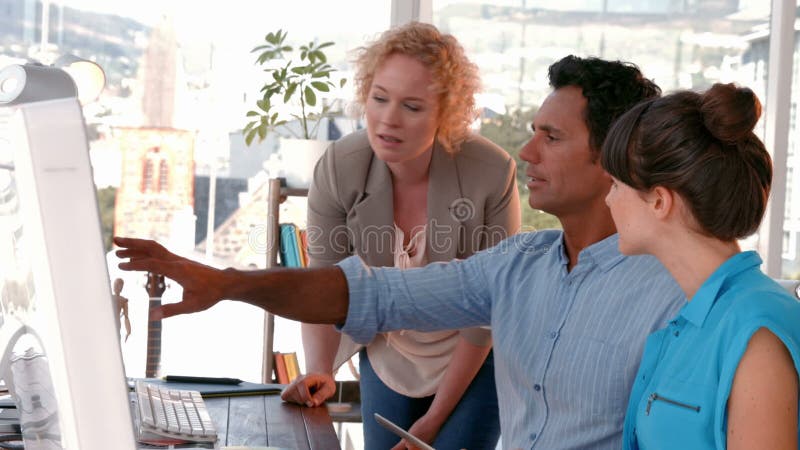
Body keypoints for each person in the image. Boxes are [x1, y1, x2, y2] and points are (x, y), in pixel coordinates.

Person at [114, 55, 687, 450]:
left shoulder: (676, 291)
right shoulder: (521, 266)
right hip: (392, 361)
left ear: (616, 156)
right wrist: (228, 284)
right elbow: (369, 293)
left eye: (552, 137)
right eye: (533, 131)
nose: (529, 150)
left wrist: (439, 420)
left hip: (460, 370)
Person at [285, 22, 520, 450]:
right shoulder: (341, 166)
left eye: (412, 106)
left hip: (475, 355)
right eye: (379, 98)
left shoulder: (491, 172)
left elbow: (486, 312)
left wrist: (431, 422)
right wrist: (320, 368)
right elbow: (322, 283)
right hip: (390, 348)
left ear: (445, 114)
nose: (388, 119)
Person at [601, 83, 800, 449]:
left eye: (615, 184)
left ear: (659, 201)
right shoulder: (694, 321)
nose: (607, 200)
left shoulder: (758, 333)